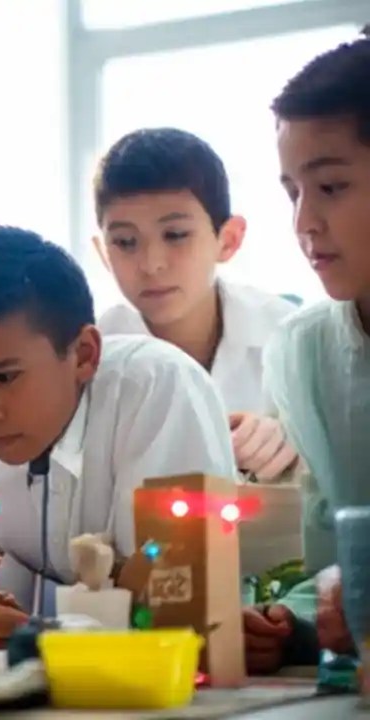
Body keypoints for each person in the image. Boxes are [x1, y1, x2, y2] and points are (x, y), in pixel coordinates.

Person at [0, 226, 236, 634]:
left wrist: (25, 632)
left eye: (4, 377)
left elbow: (167, 611)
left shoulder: (157, 390)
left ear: (85, 354)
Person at [242, 29, 370, 675]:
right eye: (293, 191)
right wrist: (289, 621)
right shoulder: (305, 350)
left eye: (331, 188)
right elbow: (331, 559)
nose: (303, 224)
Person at [93, 127, 299, 482]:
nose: (151, 263)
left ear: (228, 240)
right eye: (125, 242)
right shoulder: (89, 361)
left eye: (175, 235)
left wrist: (294, 441)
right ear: (103, 253)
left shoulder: (290, 339)